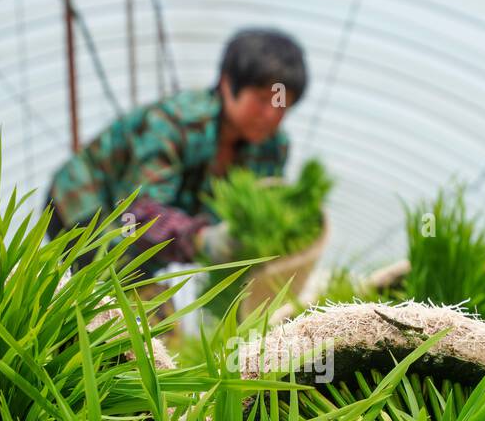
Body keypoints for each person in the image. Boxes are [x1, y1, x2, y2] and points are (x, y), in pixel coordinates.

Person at [44, 28, 307, 285]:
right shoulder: (176, 123)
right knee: (113, 295)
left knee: (144, 295)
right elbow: (139, 214)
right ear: (228, 84)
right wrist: (200, 239)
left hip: (141, 234)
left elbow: (259, 212)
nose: (272, 114)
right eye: (262, 99)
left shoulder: (272, 148)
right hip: (85, 205)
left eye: (282, 103)